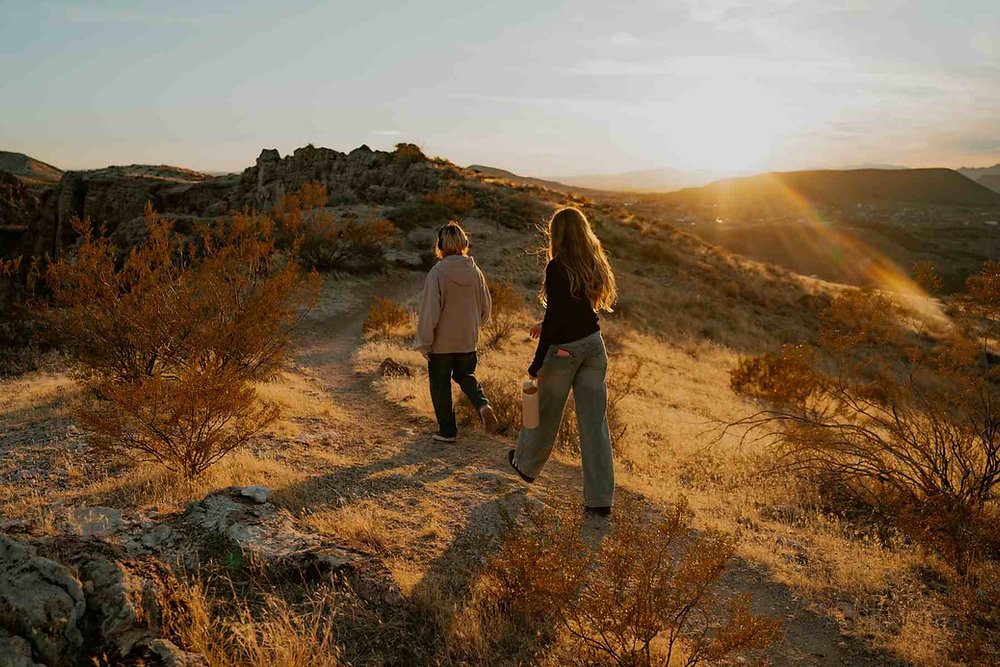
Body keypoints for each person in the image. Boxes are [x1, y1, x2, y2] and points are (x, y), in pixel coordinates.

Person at [508, 207, 618, 515]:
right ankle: (600, 501)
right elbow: (579, 309)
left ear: (556, 234)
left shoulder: (557, 267)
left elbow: (557, 317)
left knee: (543, 411)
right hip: (595, 348)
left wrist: (536, 362)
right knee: (595, 425)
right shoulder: (593, 261)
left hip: (564, 352)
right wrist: (548, 325)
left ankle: (525, 465)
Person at [416, 221, 499, 442]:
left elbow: (430, 311)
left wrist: (424, 342)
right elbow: (486, 306)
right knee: (465, 375)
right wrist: (475, 325)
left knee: (440, 384)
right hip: (467, 339)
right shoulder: (475, 271)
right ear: (464, 242)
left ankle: (448, 431)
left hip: (442, 343)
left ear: (441, 245)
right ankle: (482, 404)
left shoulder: (437, 272)